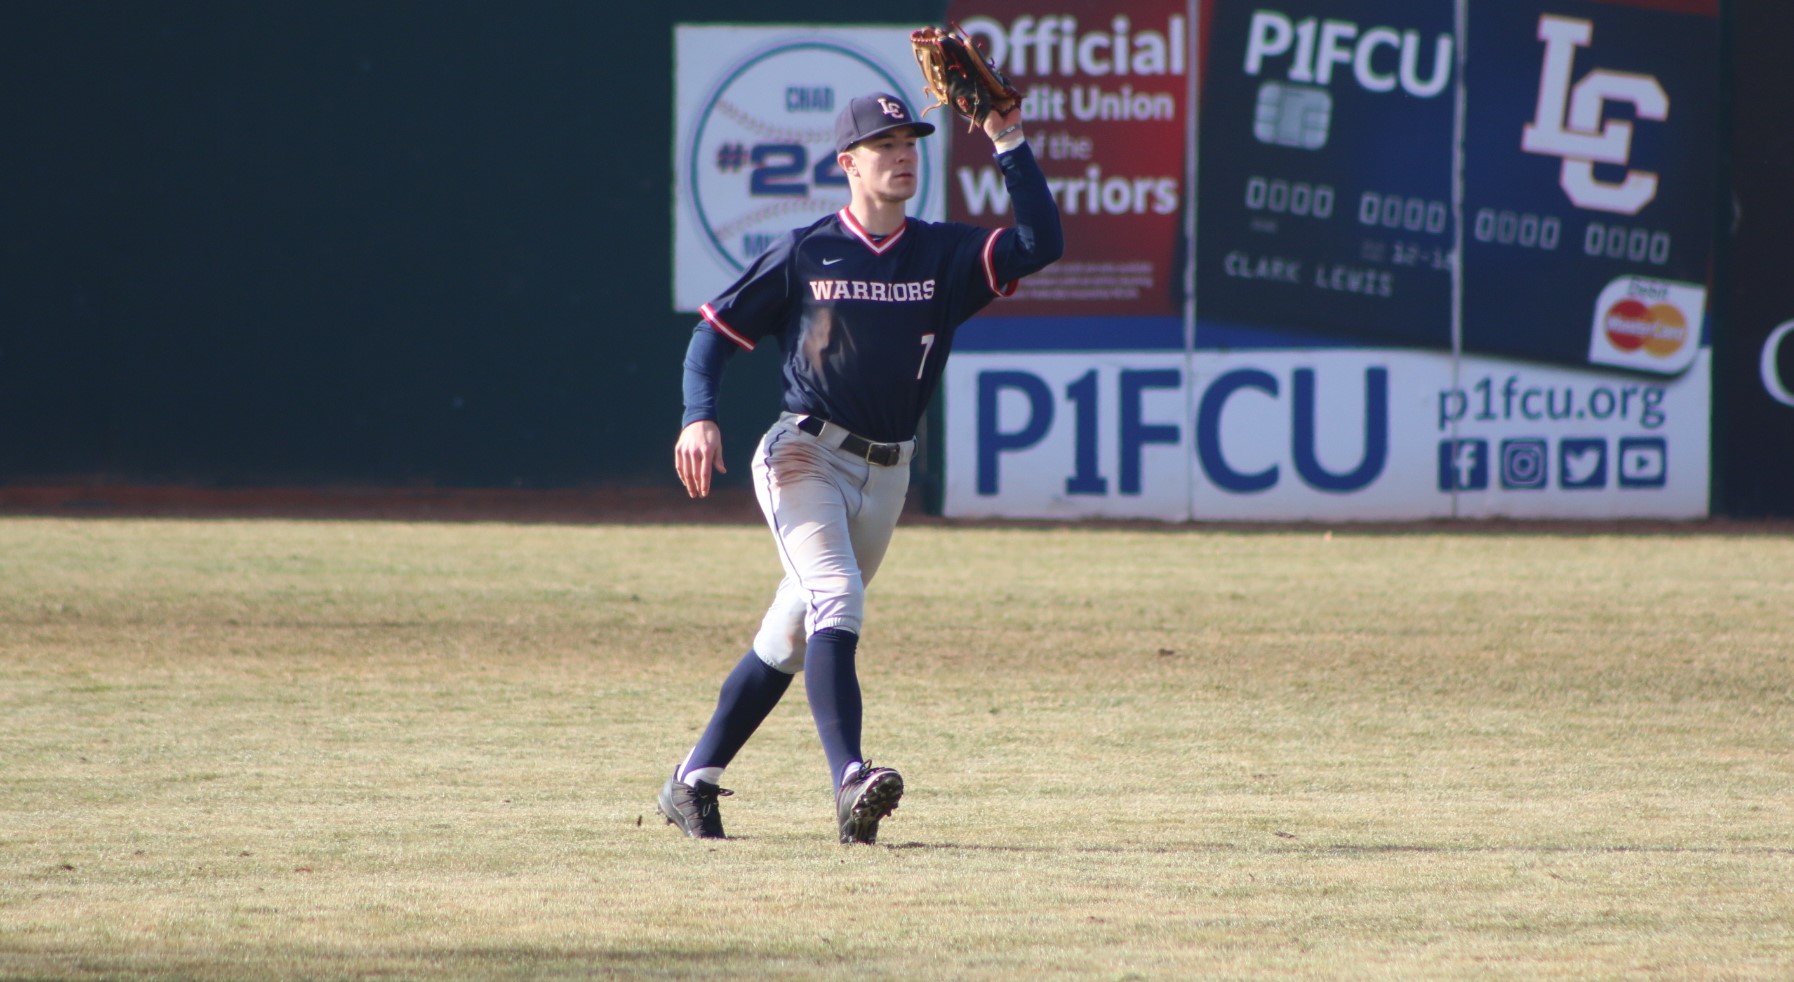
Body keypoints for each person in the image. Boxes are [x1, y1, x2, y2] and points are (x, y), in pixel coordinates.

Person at [657, 90, 1063, 844]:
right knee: (836, 598)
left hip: (889, 472)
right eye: (885, 146)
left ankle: (691, 780)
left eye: (910, 143)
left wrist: (1008, 140)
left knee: (793, 633)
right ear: (848, 163)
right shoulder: (807, 251)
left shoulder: (942, 253)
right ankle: (851, 781)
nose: (904, 156)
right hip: (803, 453)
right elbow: (711, 336)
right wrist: (697, 414)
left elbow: (1041, 244)